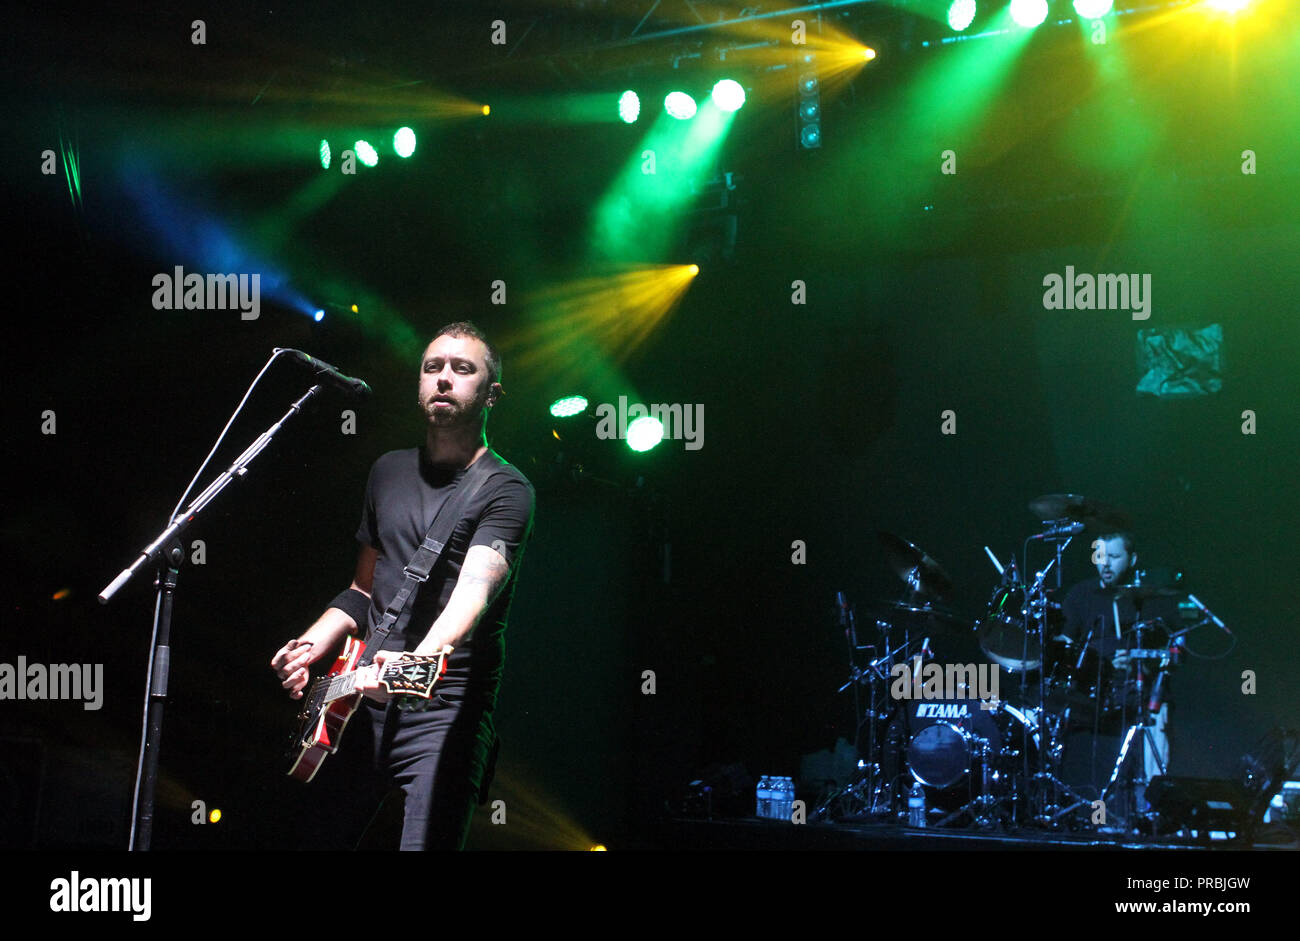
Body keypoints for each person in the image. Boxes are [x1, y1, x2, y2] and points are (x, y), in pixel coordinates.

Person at [271, 321, 535, 849]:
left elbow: (472, 597)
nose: (444, 378)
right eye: (433, 367)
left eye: (463, 369)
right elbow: (363, 591)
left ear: (492, 393)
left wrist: (421, 658)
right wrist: (311, 644)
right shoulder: (387, 472)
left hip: (444, 711)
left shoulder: (507, 490)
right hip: (359, 701)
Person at [1059, 531, 1173, 814]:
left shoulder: (1150, 599)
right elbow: (1065, 644)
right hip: (1091, 690)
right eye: (1100, 556)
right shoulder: (1081, 594)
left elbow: (1169, 654)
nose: (1105, 563)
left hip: (1139, 693)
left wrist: (1139, 664)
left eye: (1114, 556)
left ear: (1132, 559)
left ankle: (1150, 814)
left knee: (1158, 720)